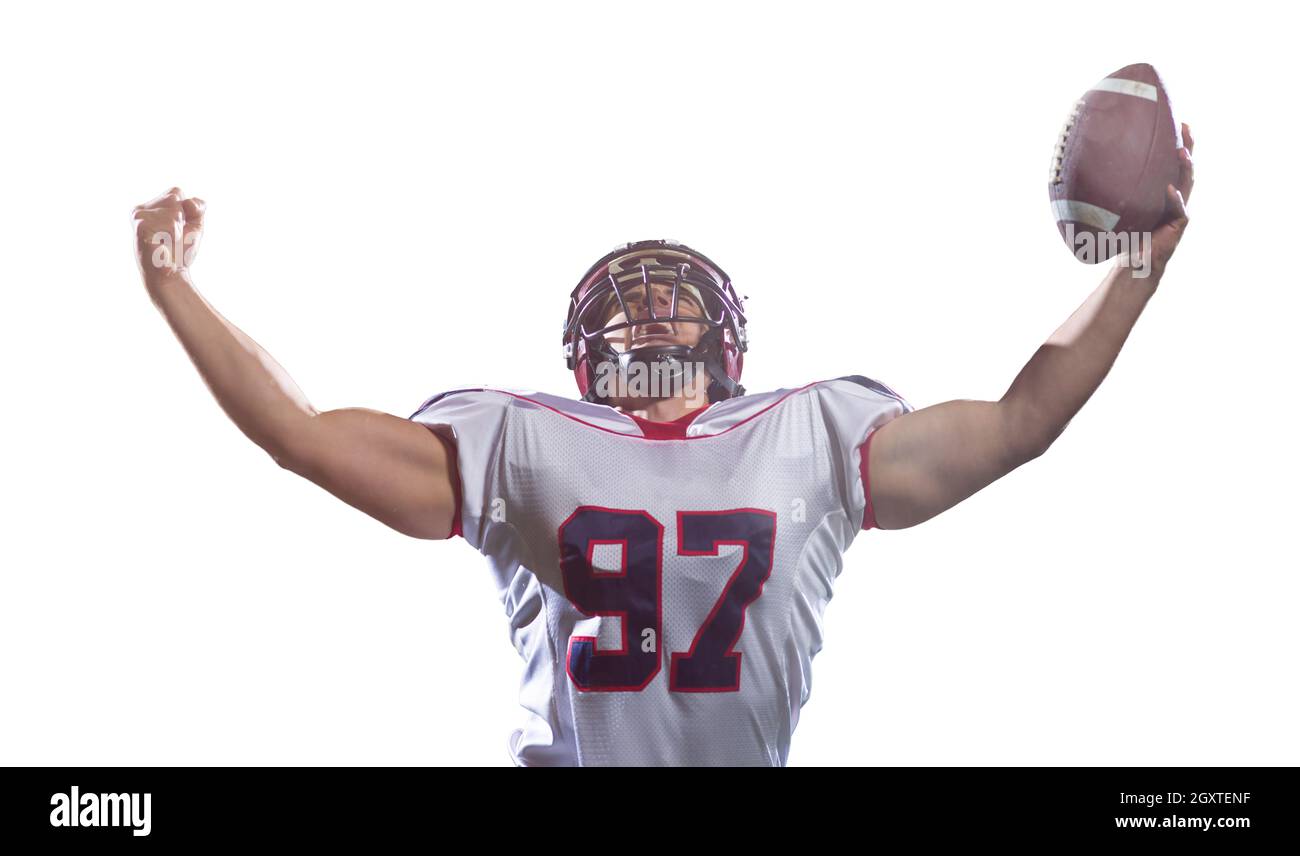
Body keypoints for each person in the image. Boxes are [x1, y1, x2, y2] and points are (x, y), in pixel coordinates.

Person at [129, 126, 1193, 766]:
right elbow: (301, 437)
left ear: (723, 337)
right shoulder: (518, 439)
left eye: (673, 299)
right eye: (626, 304)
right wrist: (177, 289)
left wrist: (1131, 269)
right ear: (582, 352)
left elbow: (1021, 422)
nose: (648, 313)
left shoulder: (813, 431)